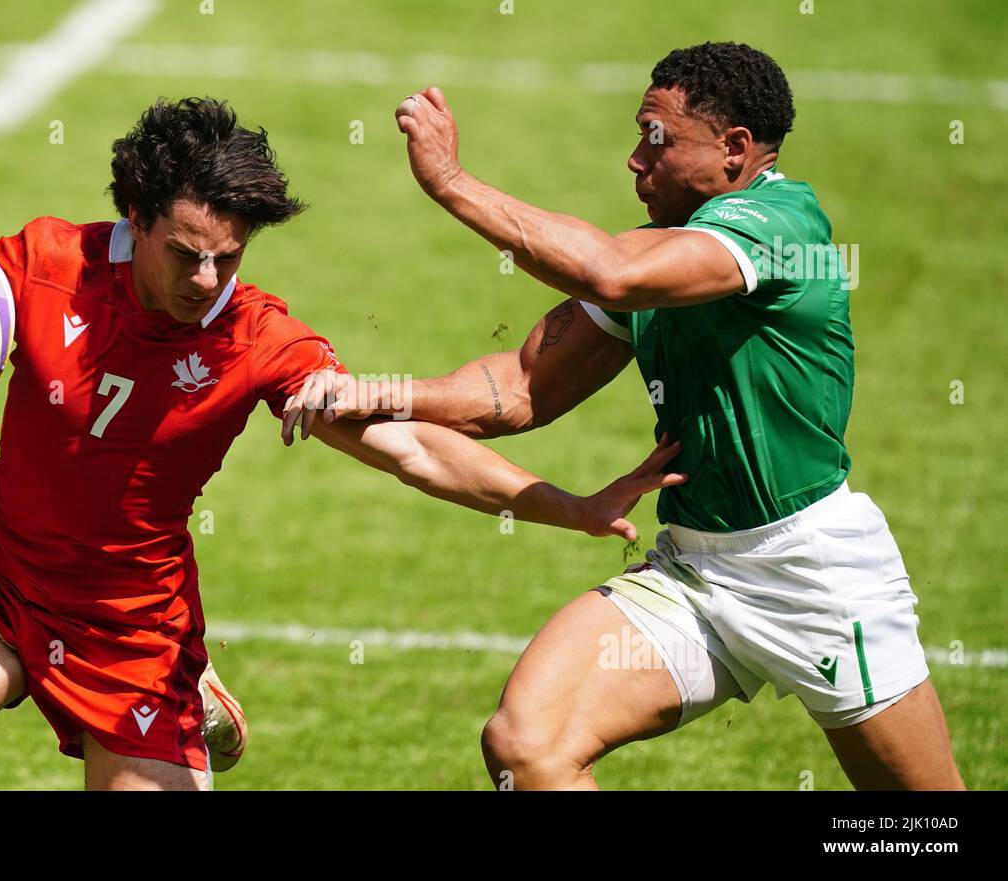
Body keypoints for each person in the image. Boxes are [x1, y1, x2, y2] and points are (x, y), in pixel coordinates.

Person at [0, 96, 680, 791]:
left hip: (131, 630)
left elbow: (412, 448)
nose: (206, 281)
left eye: (226, 259)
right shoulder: (52, 260)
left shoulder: (257, 338)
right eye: (186, 254)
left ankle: (186, 689)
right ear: (135, 217)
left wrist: (567, 506)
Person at [284, 43, 962, 790]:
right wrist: (370, 391)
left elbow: (613, 271)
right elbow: (521, 388)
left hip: (813, 572)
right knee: (527, 745)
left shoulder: (779, 226)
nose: (635, 159)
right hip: (698, 574)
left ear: (735, 149)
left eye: (657, 137)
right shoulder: (657, 256)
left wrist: (450, 182)